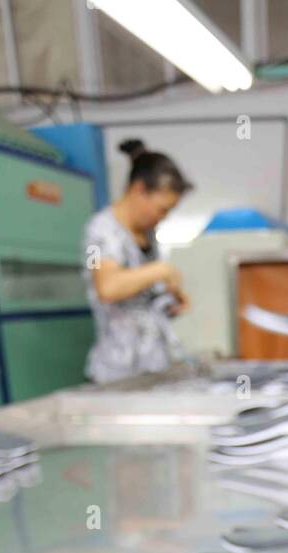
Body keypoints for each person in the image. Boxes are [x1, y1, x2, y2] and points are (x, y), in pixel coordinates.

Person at [82, 139, 193, 384]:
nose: (162, 218)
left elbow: (139, 299)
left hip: (153, 367)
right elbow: (107, 289)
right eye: (161, 209)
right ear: (139, 190)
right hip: (118, 374)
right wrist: (160, 270)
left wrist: (168, 300)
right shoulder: (101, 231)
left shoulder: (148, 235)